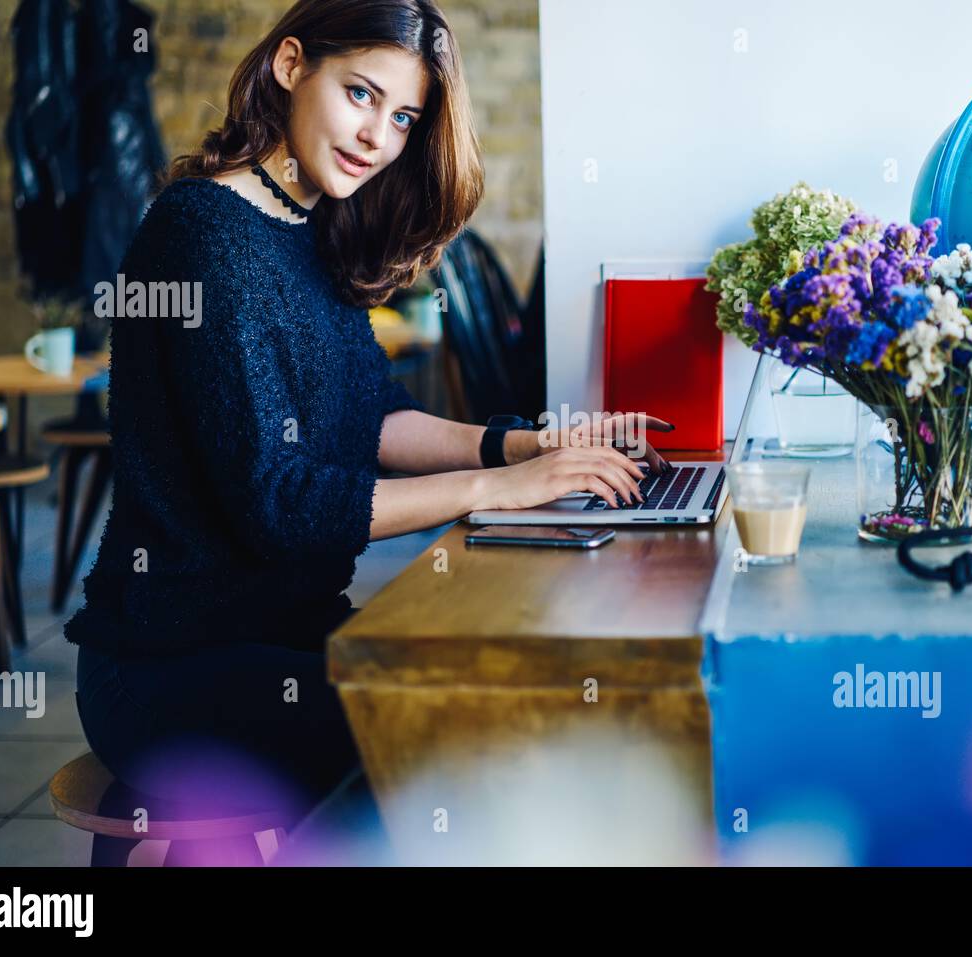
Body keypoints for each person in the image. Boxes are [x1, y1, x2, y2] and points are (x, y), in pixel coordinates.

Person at [68, 0, 673, 828]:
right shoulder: (201, 232)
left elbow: (376, 418)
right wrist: (500, 489)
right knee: (453, 735)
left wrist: (530, 444)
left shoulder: (306, 227)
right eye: (360, 94)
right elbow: (278, 504)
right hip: (170, 667)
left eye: (402, 118)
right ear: (290, 66)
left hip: (286, 635)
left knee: (487, 697)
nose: (377, 137)